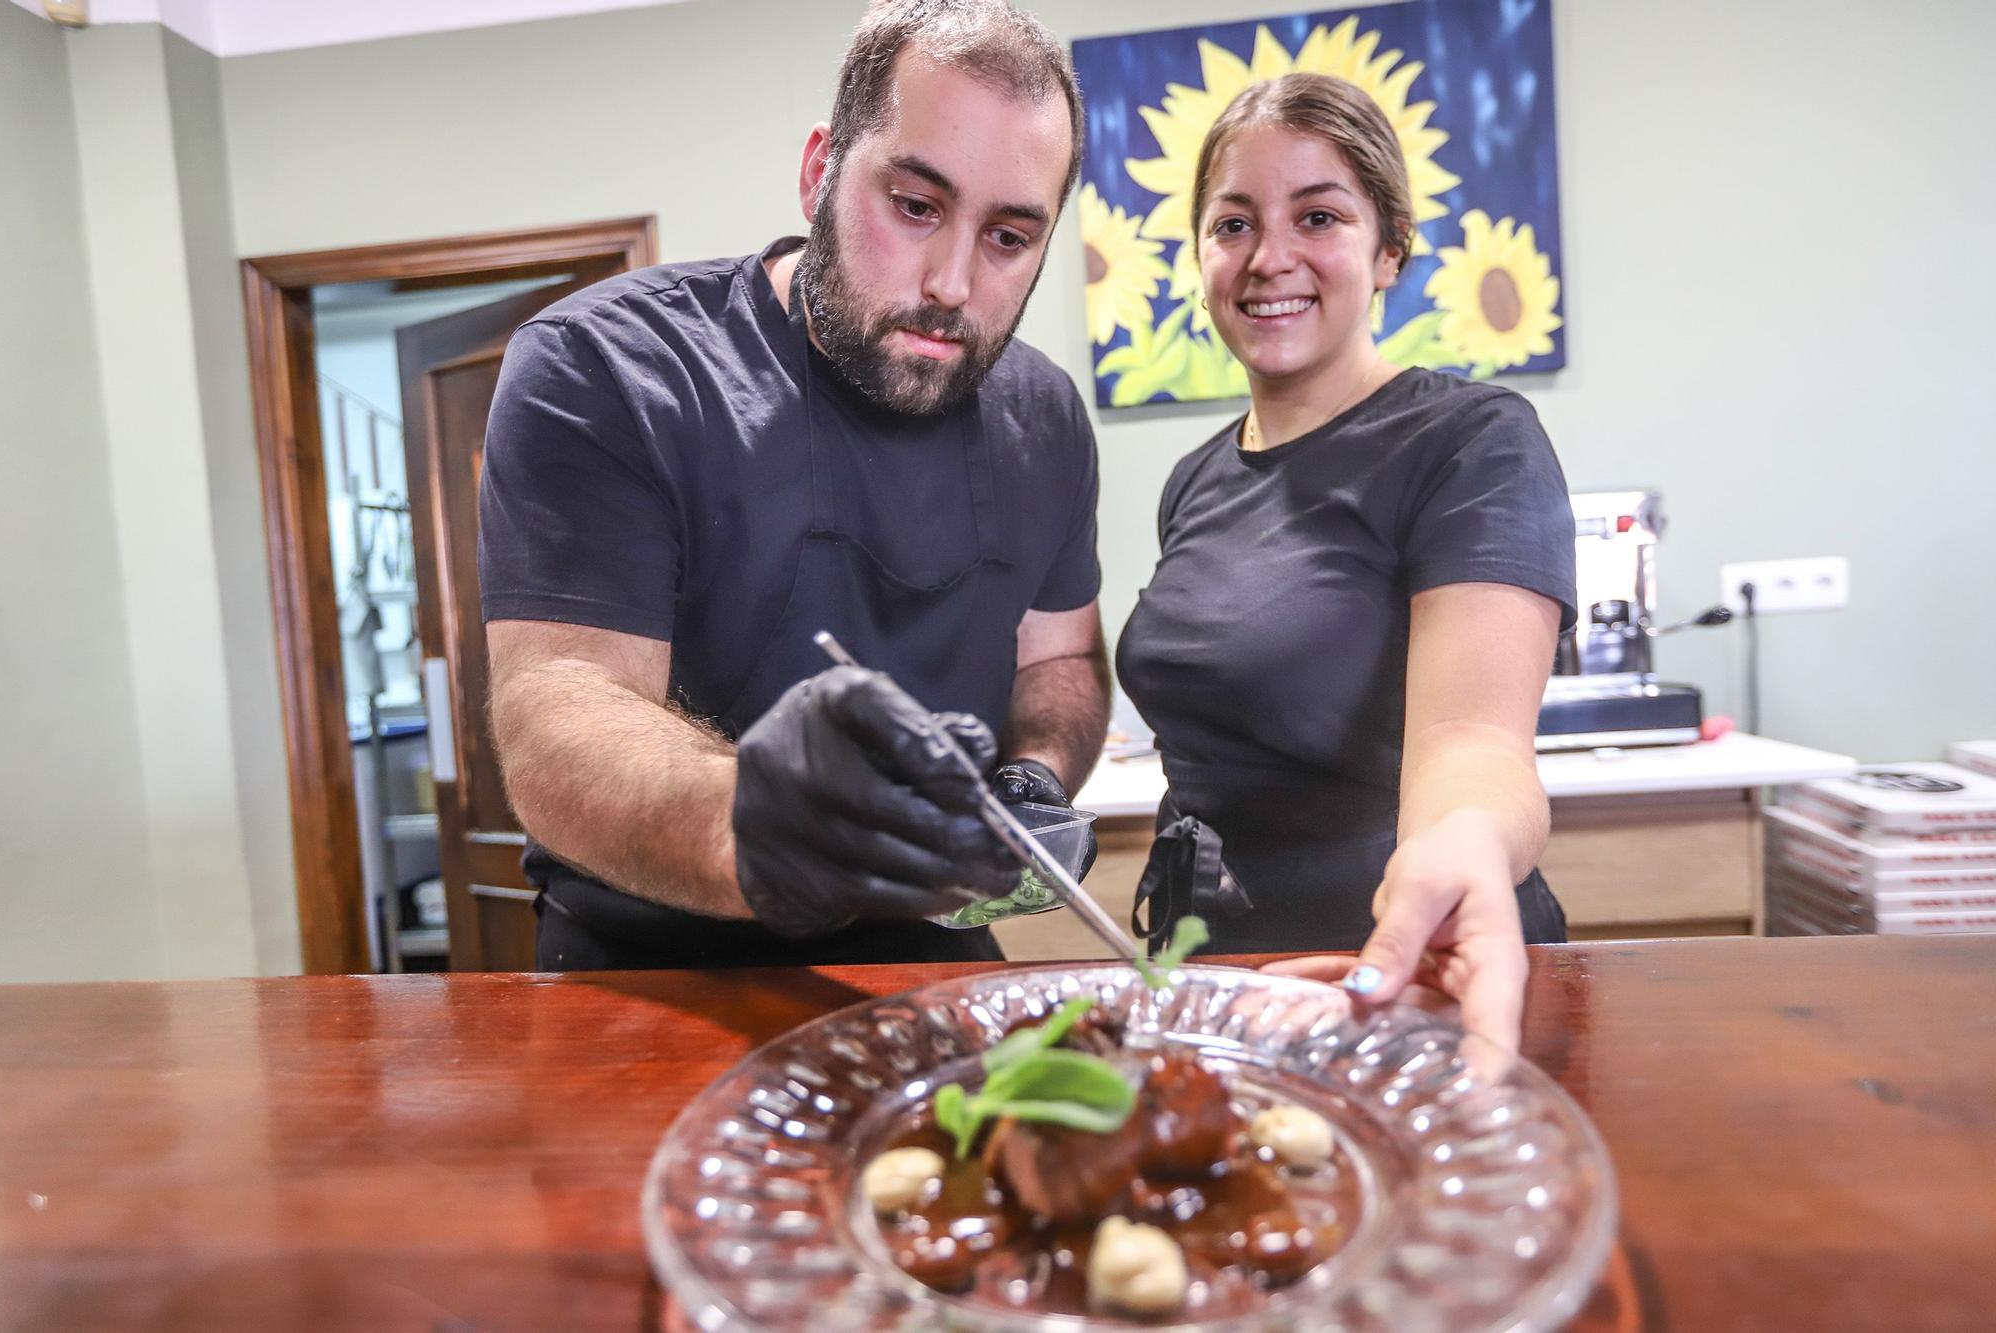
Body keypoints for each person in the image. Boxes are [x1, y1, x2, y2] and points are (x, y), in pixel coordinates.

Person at [477, 0, 1109, 970]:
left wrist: (1030, 779)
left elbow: (1057, 661)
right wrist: (751, 822)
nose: (950, 281)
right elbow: (559, 711)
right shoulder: (605, 367)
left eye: (1008, 237)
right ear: (819, 171)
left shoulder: (1044, 415)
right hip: (646, 971)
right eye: (914, 206)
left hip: (922, 952)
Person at [1115, 74, 1578, 1050]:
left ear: (1387, 252)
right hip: (1222, 976)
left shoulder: (1470, 440)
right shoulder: (1195, 477)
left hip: (1402, 971)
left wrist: (1462, 840)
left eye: (1316, 215)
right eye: (1231, 223)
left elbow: (1474, 744)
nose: (1267, 257)